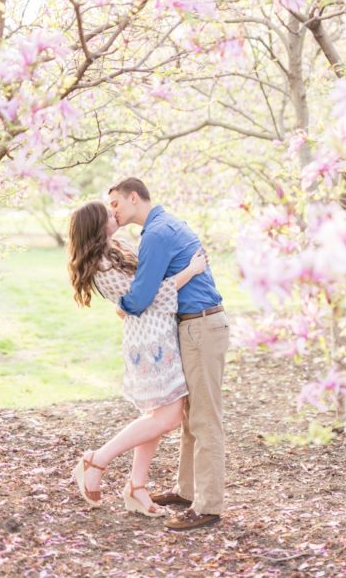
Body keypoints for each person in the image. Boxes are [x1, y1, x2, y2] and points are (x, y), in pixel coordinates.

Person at [67, 201, 207, 518]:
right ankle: (97, 459)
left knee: (156, 416)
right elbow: (148, 296)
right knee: (168, 417)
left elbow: (144, 284)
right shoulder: (100, 266)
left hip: (161, 333)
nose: (113, 214)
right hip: (150, 343)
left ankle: (136, 486)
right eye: (107, 214)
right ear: (95, 225)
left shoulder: (120, 245)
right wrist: (191, 271)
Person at [108, 177, 228, 531]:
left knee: (205, 418)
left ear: (133, 197)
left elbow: (141, 296)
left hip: (201, 327)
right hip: (194, 325)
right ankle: (188, 490)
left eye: (115, 203)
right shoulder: (165, 224)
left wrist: (123, 305)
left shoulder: (157, 234)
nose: (113, 210)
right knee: (192, 415)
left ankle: (208, 505)